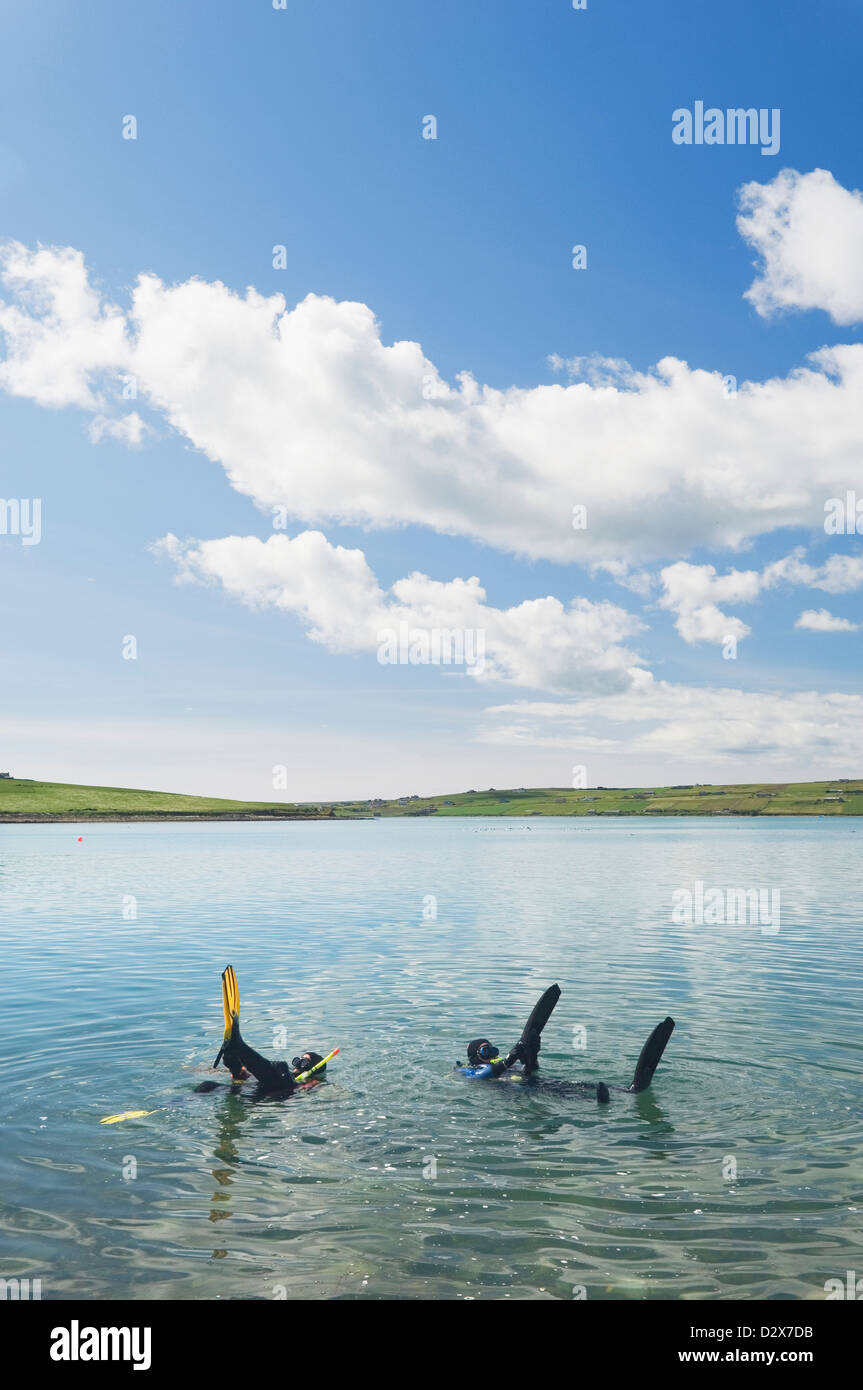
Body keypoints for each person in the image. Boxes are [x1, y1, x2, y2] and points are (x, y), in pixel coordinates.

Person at [455, 985, 674, 1103]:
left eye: (492, 1049)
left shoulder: (499, 1064)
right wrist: (510, 1058)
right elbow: (485, 1077)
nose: (491, 1052)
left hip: (534, 1083)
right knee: (567, 1096)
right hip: (526, 1093)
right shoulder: (470, 1071)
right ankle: (598, 1105)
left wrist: (532, 1055)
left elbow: (531, 1071)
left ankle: (629, 1090)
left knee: (576, 1085)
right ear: (475, 1055)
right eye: (486, 1050)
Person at [212, 965, 329, 1095]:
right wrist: (239, 1070)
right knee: (208, 1086)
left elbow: (330, 1091)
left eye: (304, 1062)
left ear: (314, 1069)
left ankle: (238, 1046)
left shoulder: (314, 1083)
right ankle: (235, 1058)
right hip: (251, 1091)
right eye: (298, 1061)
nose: (298, 1065)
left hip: (278, 1092)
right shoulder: (289, 1074)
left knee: (280, 1068)